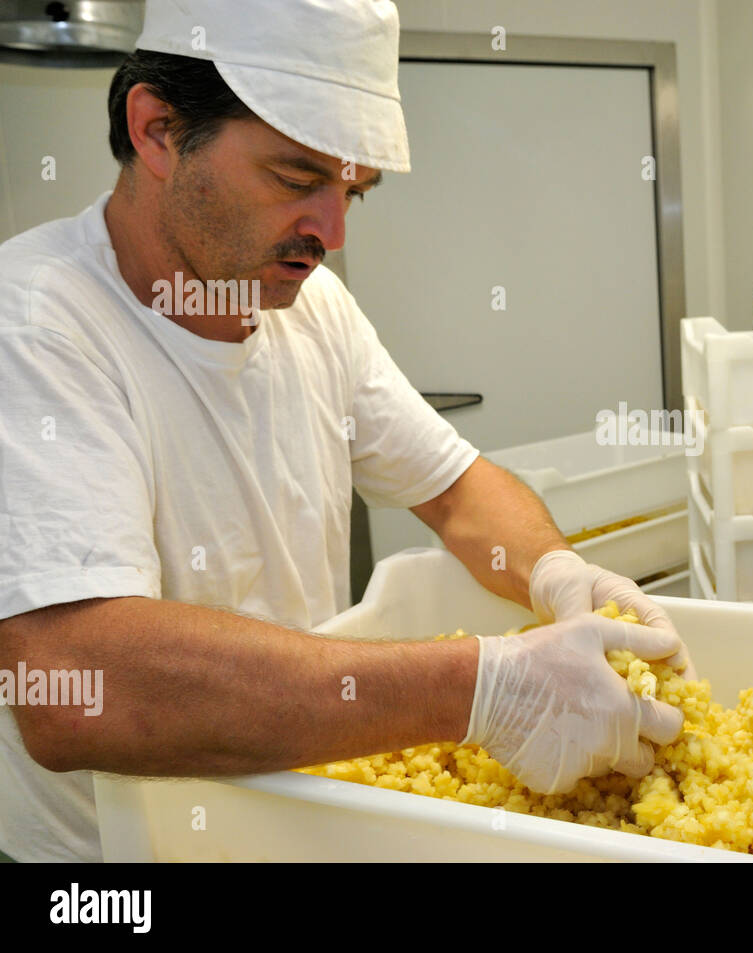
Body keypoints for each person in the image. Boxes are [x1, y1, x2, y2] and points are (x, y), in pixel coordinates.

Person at [0, 0, 691, 863]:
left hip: (296, 822)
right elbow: (77, 686)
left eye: (353, 190)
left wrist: (557, 574)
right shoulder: (37, 323)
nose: (330, 232)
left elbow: (457, 489)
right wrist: (485, 686)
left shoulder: (311, 307)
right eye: (296, 179)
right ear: (158, 130)